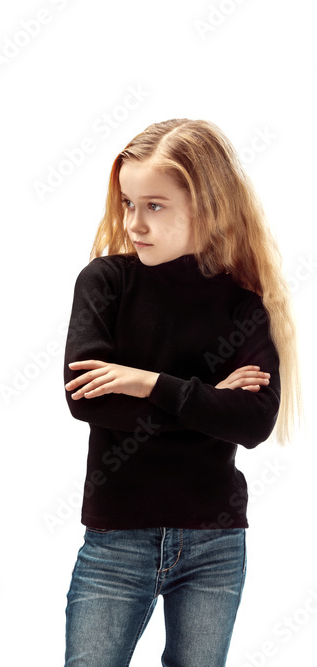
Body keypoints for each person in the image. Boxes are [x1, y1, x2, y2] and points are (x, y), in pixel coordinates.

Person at [61, 118, 301, 666]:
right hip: (116, 540)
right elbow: (86, 399)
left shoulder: (244, 306)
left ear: (208, 206)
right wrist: (208, 398)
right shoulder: (105, 283)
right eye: (128, 203)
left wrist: (146, 382)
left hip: (215, 543)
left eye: (155, 205)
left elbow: (254, 421)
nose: (135, 223)